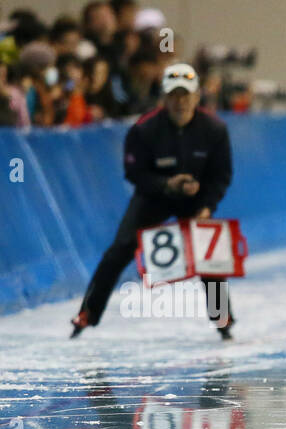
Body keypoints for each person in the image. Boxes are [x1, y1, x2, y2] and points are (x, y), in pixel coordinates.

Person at [69, 63, 235, 339]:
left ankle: (222, 318)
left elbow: (221, 175)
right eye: (174, 96)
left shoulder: (215, 130)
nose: (180, 102)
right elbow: (134, 173)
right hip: (154, 198)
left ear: (196, 97)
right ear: (164, 98)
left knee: (208, 254)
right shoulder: (143, 130)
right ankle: (88, 313)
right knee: (118, 250)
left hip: (196, 200)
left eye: (185, 95)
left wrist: (206, 206)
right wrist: (166, 184)